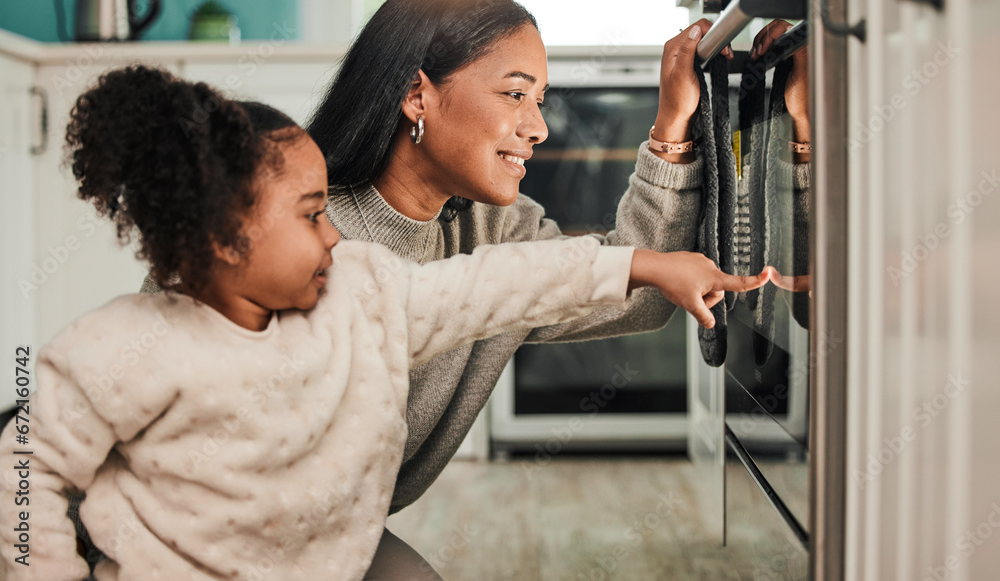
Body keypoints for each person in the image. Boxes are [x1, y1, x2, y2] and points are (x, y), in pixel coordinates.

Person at [0, 66, 767, 580]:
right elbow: (24, 469)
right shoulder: (122, 346)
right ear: (223, 238)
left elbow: (497, 283)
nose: (334, 230)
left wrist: (639, 264)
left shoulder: (360, 289)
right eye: (309, 215)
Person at [301, 0, 737, 576]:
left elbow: (637, 297)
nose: (539, 128)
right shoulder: (293, 227)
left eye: (541, 99)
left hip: (338, 530)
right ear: (415, 95)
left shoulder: (493, 228)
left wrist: (672, 123)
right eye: (514, 95)